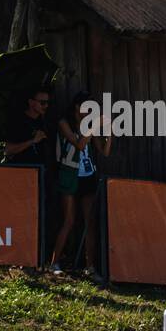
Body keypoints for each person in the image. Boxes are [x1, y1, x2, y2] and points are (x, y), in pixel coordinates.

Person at [48, 91, 111, 277]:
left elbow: (104, 151)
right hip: (69, 175)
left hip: (88, 176)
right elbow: (80, 145)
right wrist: (93, 128)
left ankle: (90, 267)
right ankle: (54, 262)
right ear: (77, 107)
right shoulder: (64, 123)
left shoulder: (89, 125)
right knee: (69, 220)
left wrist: (109, 133)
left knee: (89, 222)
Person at [4, 87, 51, 165]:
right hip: (23, 169)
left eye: (48, 102)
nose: (46, 106)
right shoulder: (17, 121)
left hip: (42, 170)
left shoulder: (45, 121)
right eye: (42, 103)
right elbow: (8, 150)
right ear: (31, 102)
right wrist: (32, 141)